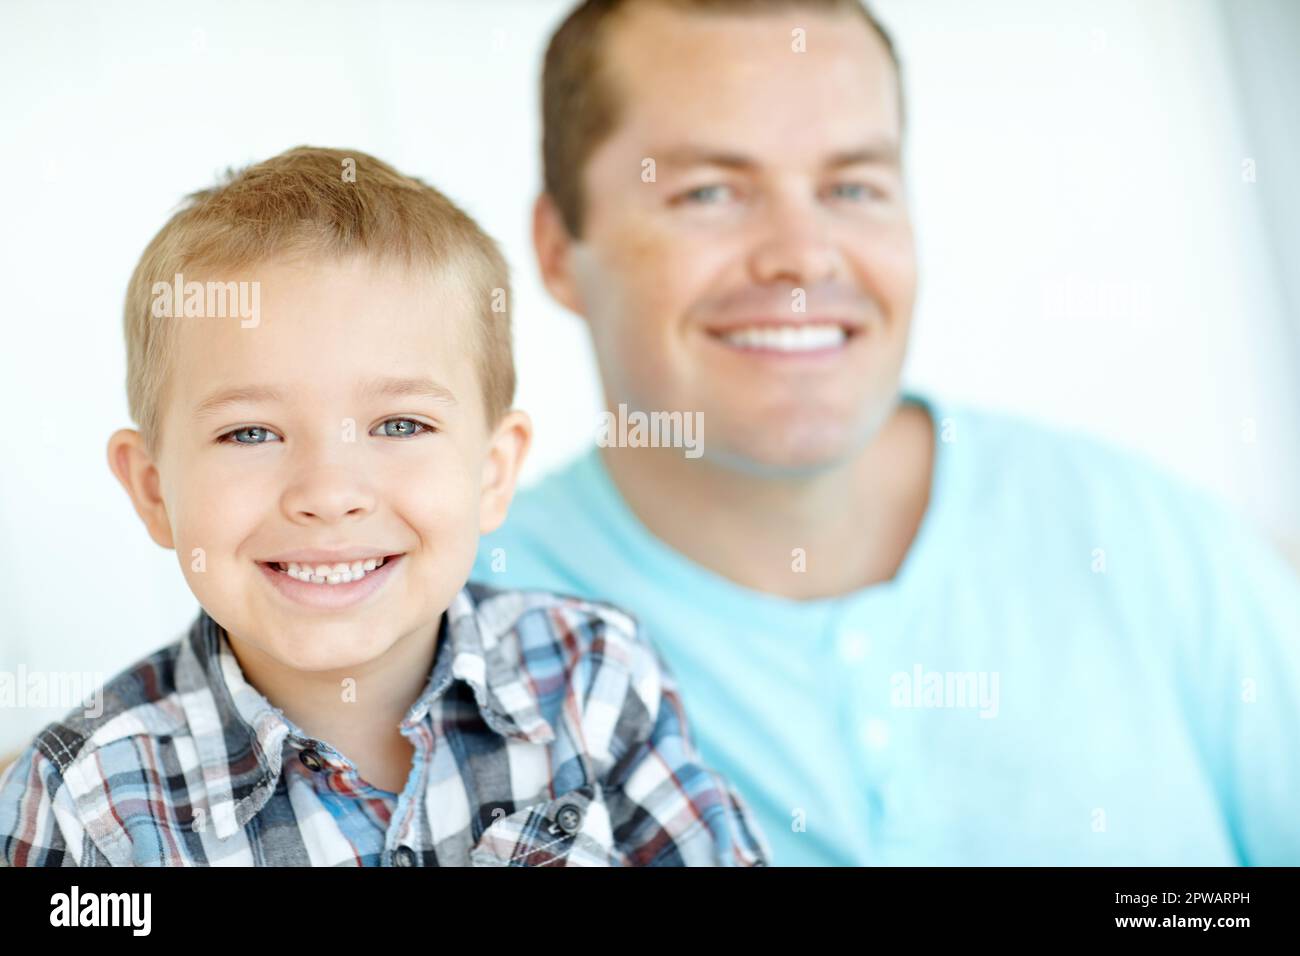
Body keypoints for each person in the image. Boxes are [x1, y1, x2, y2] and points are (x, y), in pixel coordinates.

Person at [475, 0, 1300, 865]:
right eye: (708, 192)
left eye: (852, 188)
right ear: (559, 247)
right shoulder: (454, 630)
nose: (804, 256)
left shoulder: (1147, 542)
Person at [0, 145, 768, 867]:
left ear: (492, 474)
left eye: (399, 425)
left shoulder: (594, 678)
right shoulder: (88, 798)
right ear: (155, 490)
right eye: (250, 432)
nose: (329, 494)